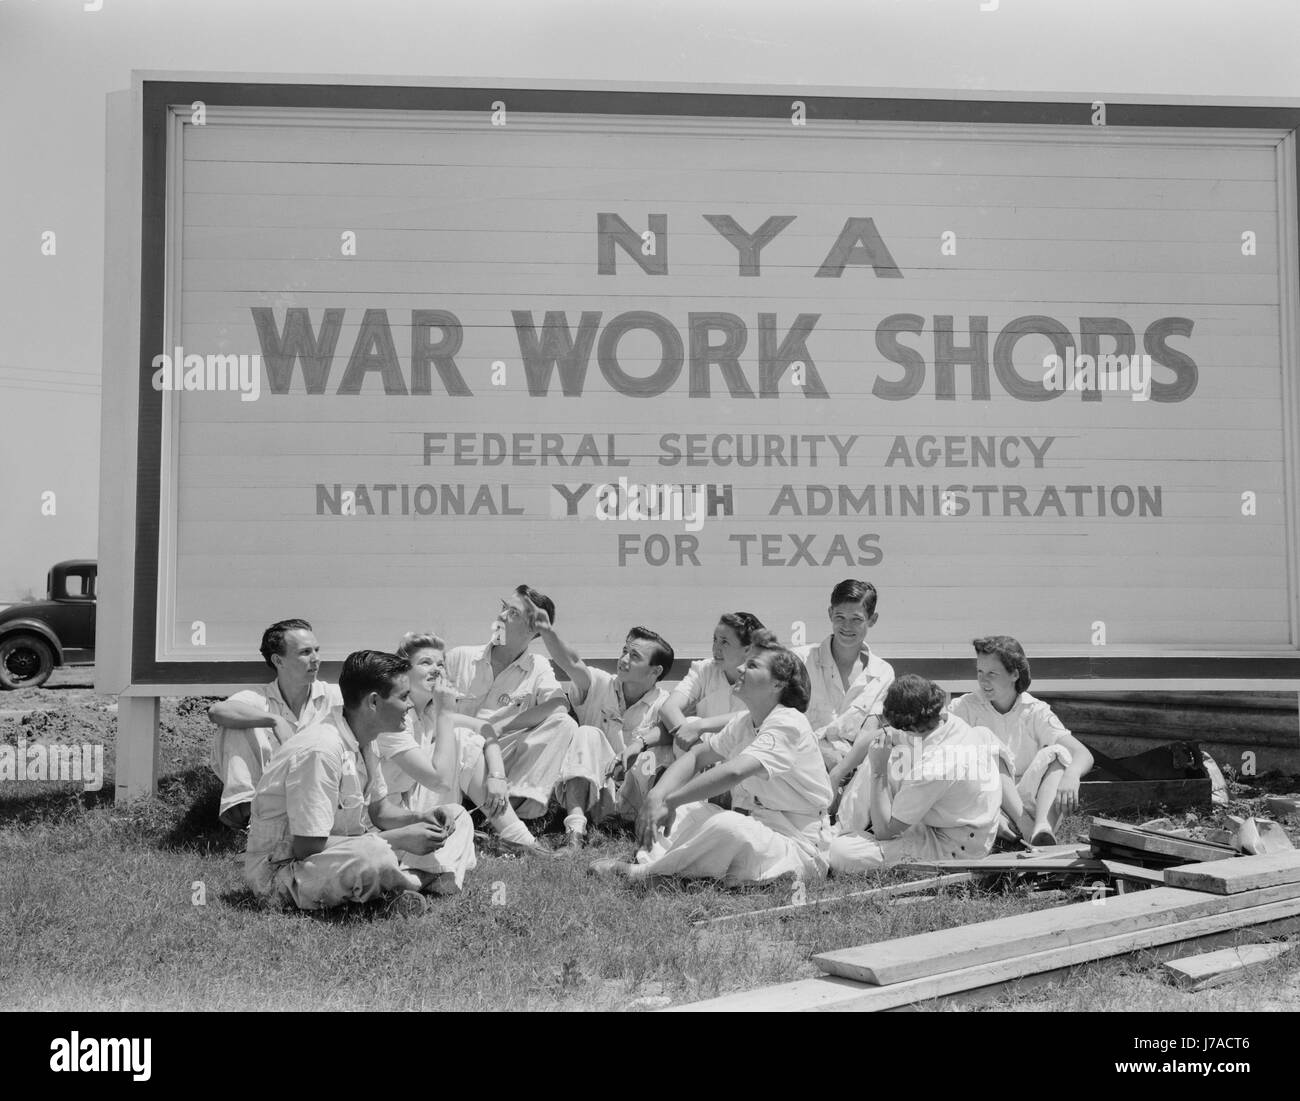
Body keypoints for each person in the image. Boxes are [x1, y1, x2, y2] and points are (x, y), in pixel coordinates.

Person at [590, 630, 833, 886]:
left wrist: (669, 801)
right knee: (688, 811)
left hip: (801, 848)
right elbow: (697, 756)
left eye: (752, 665)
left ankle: (645, 874)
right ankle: (670, 868)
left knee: (728, 826)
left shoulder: (788, 721)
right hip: (761, 827)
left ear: (777, 684)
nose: (739, 668)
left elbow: (734, 772)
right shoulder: (745, 721)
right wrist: (657, 796)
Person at [243, 650, 476, 913]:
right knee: (373, 855)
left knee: (457, 816)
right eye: (403, 697)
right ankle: (417, 881)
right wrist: (399, 839)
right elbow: (307, 846)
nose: (409, 705)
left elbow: (380, 811)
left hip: (345, 846)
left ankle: (406, 884)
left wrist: (420, 819)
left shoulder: (367, 735)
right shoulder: (321, 749)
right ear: (374, 702)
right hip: (283, 871)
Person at [442, 585, 592, 845]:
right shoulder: (460, 657)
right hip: (455, 756)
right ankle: (489, 819)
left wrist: (500, 725)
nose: (500, 617)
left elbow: (559, 706)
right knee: (459, 735)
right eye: (503, 608)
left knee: (565, 724)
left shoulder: (537, 666)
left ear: (533, 629)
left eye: (512, 613)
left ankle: (507, 814)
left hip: (500, 756)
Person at [374, 632, 545, 854]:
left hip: (411, 803)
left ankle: (518, 839)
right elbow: (439, 782)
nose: (436, 669)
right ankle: (486, 838)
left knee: (463, 738)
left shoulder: (429, 712)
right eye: (425, 662)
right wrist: (445, 713)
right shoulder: (395, 715)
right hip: (384, 818)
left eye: (441, 664)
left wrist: (497, 776)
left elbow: (485, 729)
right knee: (457, 738)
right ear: (404, 672)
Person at [827, 674, 1013, 874]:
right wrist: (838, 773)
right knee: (889, 755)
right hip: (951, 821)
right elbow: (881, 736)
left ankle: (836, 839)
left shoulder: (936, 766)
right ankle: (842, 828)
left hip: (956, 847)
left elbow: (884, 832)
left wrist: (878, 771)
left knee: (841, 854)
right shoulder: (944, 722)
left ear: (910, 727)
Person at [947, 636, 1095, 846]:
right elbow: (939, 756)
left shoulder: (1035, 710)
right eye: (980, 672)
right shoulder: (964, 707)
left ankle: (1042, 829)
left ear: (1014, 674)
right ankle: (1026, 828)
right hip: (986, 801)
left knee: (1058, 754)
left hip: (1030, 801)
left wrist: (1072, 775)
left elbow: (1082, 754)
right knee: (987, 743)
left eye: (992, 673)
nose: (983, 680)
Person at [535, 620, 676, 824]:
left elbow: (682, 731)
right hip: (594, 793)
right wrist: (545, 630)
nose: (624, 659)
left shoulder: (664, 703)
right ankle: (575, 830)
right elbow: (571, 663)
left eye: (635, 656)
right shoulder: (600, 684)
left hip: (636, 799)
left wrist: (640, 744)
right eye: (624, 651)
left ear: (656, 671)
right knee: (586, 732)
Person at [208, 618, 342, 829]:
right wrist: (274, 720)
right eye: (305, 652)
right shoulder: (261, 697)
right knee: (233, 726)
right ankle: (248, 819)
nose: (316, 659)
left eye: (317, 650)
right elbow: (217, 711)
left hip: (324, 794)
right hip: (274, 797)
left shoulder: (334, 696)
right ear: (279, 661)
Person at [795, 580, 895, 780]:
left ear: (872, 619)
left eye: (856, 619)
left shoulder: (883, 673)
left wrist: (841, 770)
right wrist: (822, 754)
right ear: (830, 613)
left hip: (853, 775)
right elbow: (780, 721)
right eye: (840, 617)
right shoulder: (799, 661)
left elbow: (870, 731)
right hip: (799, 770)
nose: (846, 627)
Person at [657, 612, 764, 754]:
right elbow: (669, 708)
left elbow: (754, 717)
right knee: (687, 723)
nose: (716, 648)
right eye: (715, 640)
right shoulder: (704, 669)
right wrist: (697, 748)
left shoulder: (765, 677)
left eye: (724, 642)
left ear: (747, 649)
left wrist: (701, 726)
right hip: (703, 755)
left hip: (745, 754)